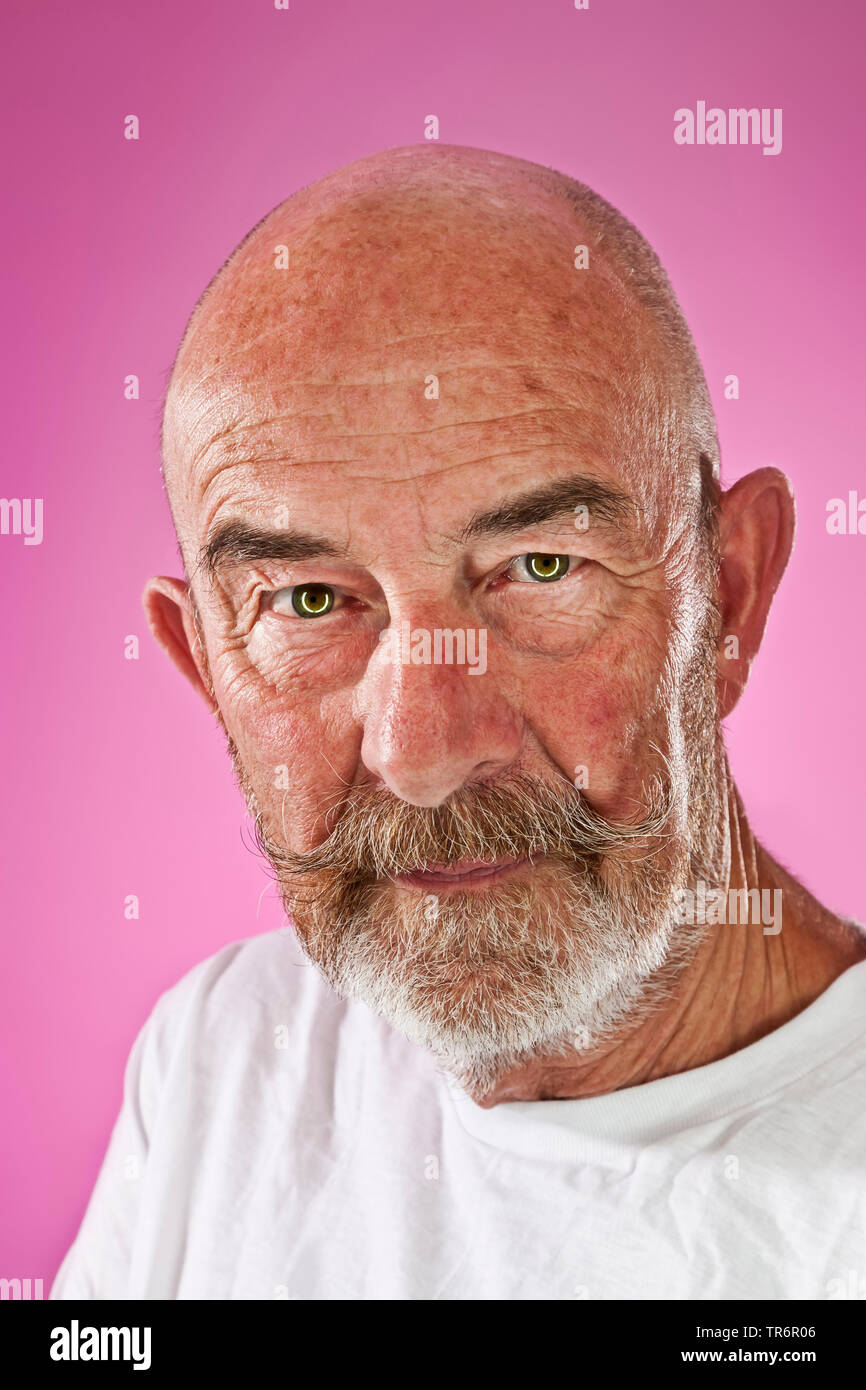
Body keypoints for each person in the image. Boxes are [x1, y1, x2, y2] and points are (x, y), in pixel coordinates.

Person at [52, 145, 866, 1300]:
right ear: (206, 668)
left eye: (539, 567)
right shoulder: (223, 1060)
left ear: (726, 597)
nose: (424, 752)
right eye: (310, 602)